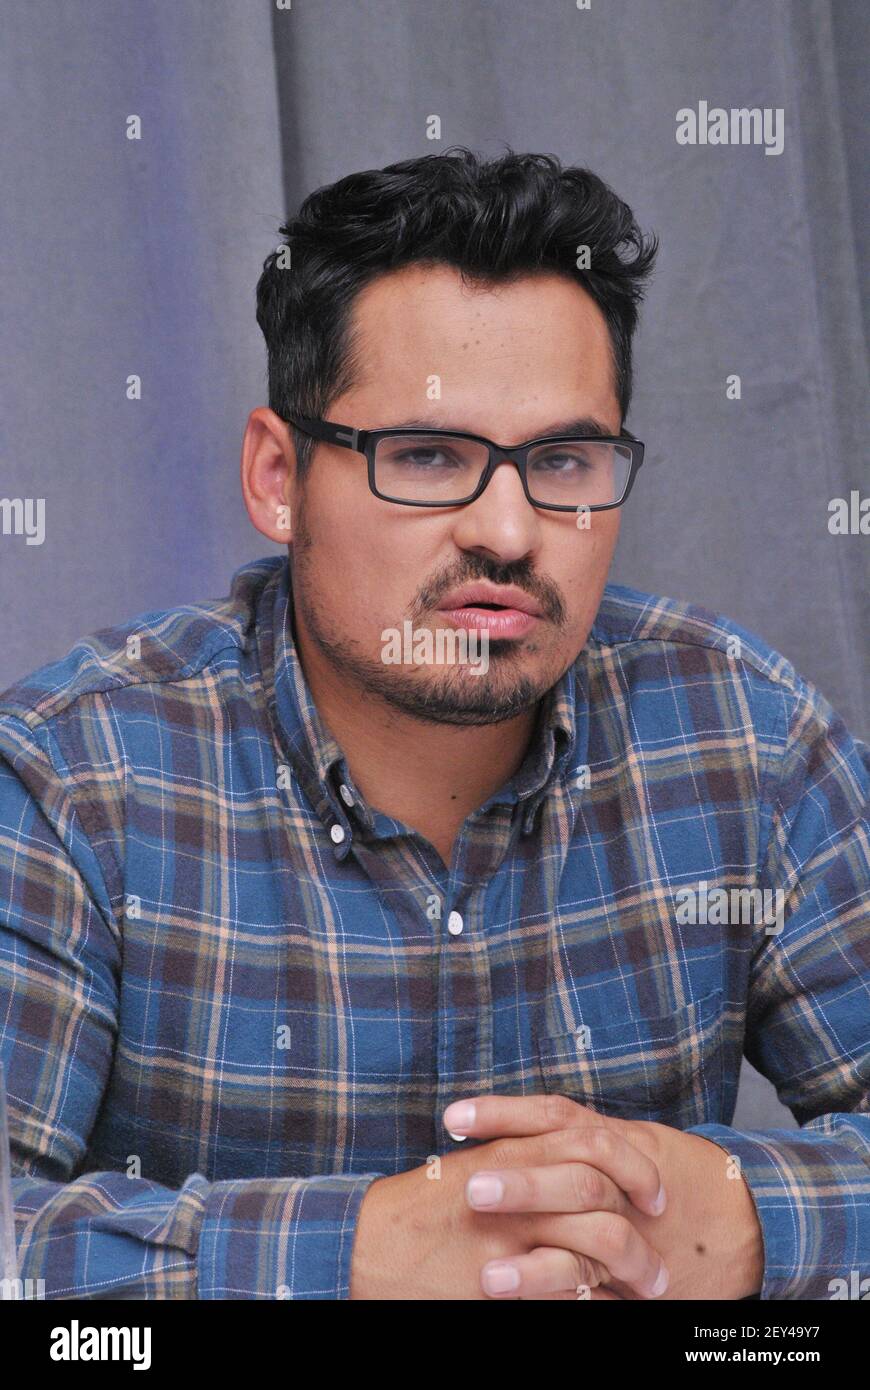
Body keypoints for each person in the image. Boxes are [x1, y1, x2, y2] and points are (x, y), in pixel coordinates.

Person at [1, 149, 867, 1301]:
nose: (508, 530)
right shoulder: (77, 777)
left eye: (563, 459)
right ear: (278, 475)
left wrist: (747, 1222)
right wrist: (356, 1257)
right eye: (427, 457)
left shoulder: (745, 741)